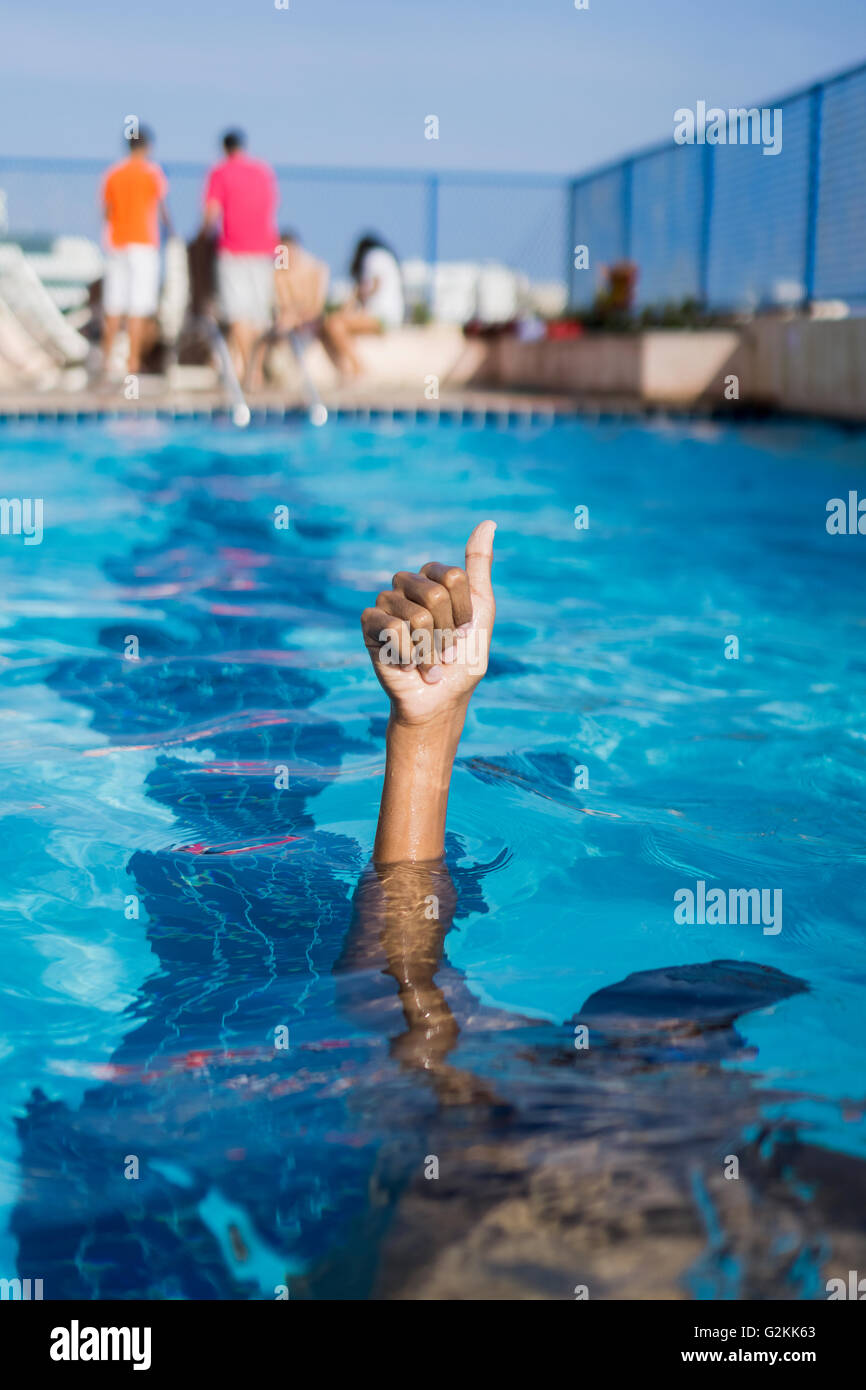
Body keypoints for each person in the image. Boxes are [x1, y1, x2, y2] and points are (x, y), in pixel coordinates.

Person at [202, 130, 279, 382]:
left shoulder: (220, 172)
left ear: (224, 148)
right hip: (265, 249)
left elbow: (211, 213)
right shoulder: (263, 171)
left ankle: (251, 371)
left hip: (234, 249)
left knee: (238, 312)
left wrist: (201, 238)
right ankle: (256, 367)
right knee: (259, 314)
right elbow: (271, 208)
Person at [100, 125, 170, 377]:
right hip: (142, 244)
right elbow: (162, 210)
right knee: (138, 305)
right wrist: (171, 235)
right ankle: (132, 362)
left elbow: (106, 212)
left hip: (116, 243)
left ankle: (107, 363)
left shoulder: (113, 173)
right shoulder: (151, 172)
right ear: (147, 146)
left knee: (113, 305)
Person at [322, 233, 404, 378]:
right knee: (335, 325)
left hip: (382, 316)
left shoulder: (373, 257)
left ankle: (359, 368)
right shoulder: (385, 257)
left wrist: (354, 298)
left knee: (334, 324)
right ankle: (350, 370)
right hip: (388, 316)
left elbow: (373, 284)